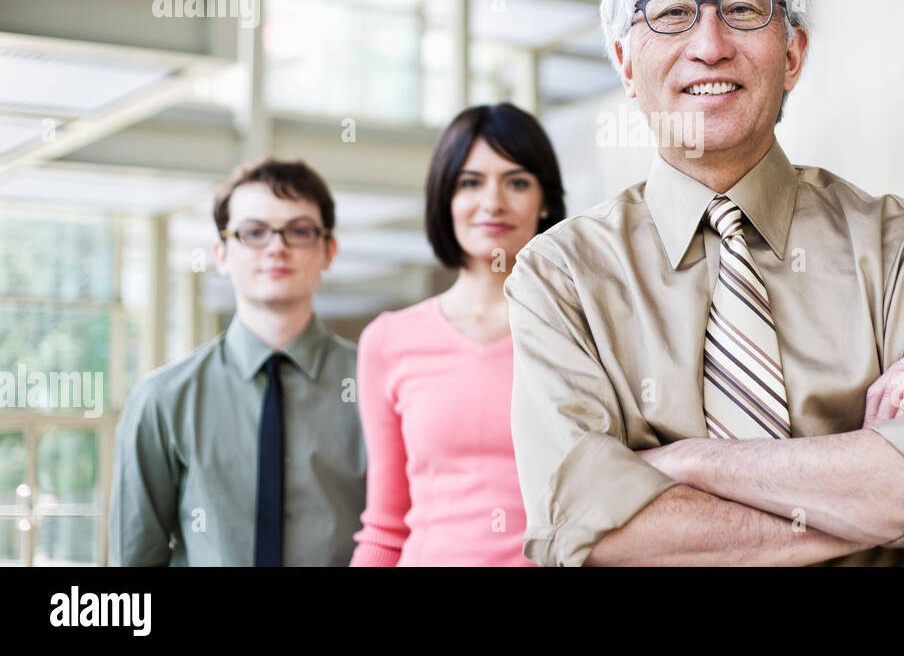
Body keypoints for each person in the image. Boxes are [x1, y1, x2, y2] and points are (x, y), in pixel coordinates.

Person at [504, 0, 904, 567]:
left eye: (742, 10)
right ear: (625, 63)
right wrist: (853, 488)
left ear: (791, 54)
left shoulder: (902, 248)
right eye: (673, 13)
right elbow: (589, 526)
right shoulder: (559, 276)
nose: (709, 46)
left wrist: (691, 463)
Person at [109, 158, 365, 566]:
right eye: (253, 232)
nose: (276, 247)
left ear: (328, 250)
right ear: (222, 254)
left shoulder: (378, 384)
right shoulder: (162, 399)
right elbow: (137, 559)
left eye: (299, 231)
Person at [351, 103, 565, 566]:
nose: (493, 202)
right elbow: (385, 526)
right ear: (445, 198)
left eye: (517, 182)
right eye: (471, 182)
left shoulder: (580, 330)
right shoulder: (388, 341)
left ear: (544, 201)